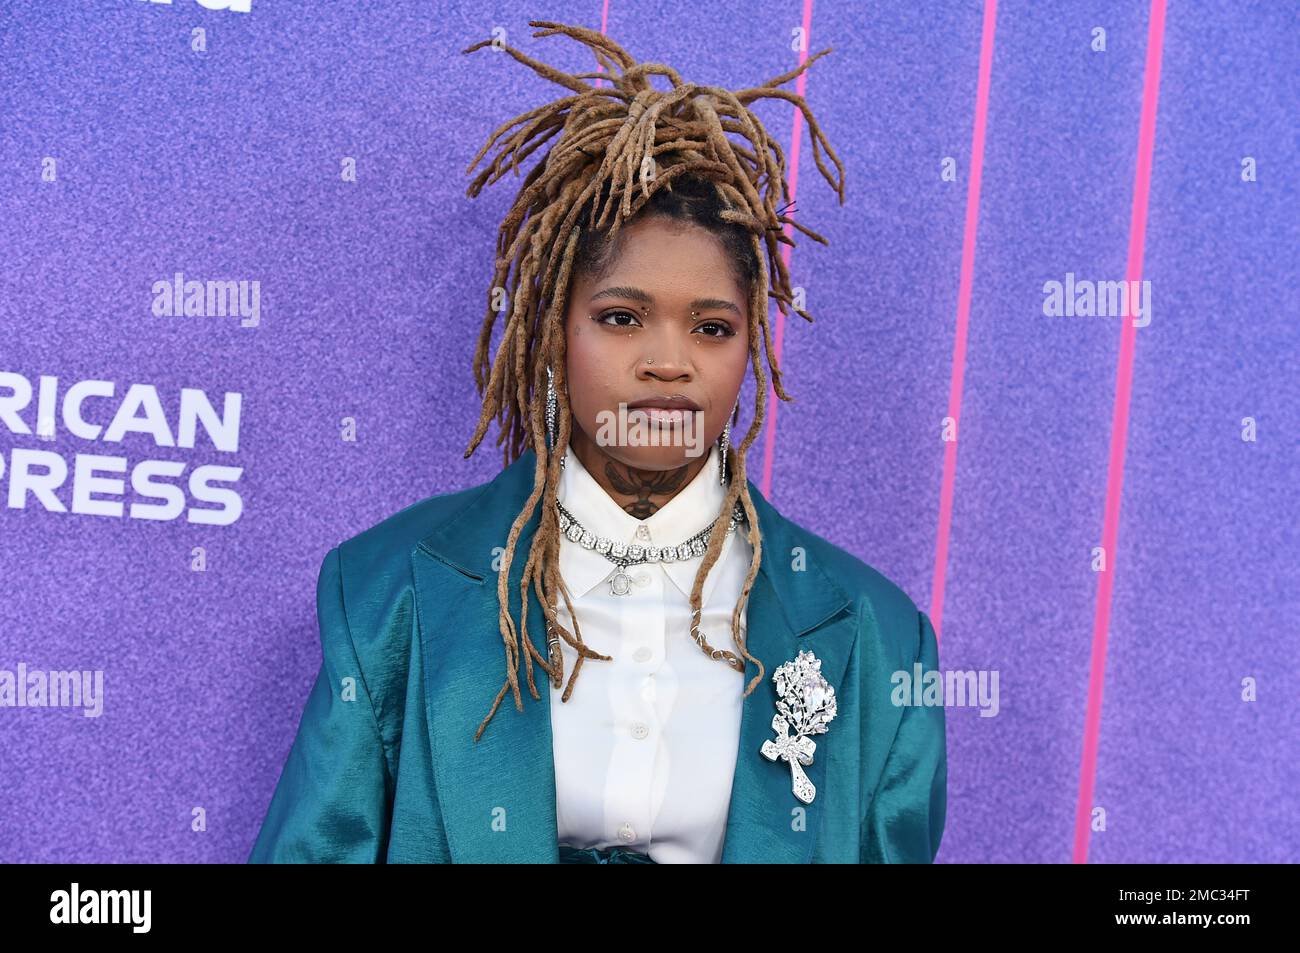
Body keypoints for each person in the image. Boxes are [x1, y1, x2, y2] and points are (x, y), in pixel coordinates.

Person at [249, 20, 945, 864]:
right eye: (621, 318)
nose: (667, 363)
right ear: (555, 335)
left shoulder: (875, 637)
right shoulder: (391, 591)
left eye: (712, 327)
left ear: (749, 350)